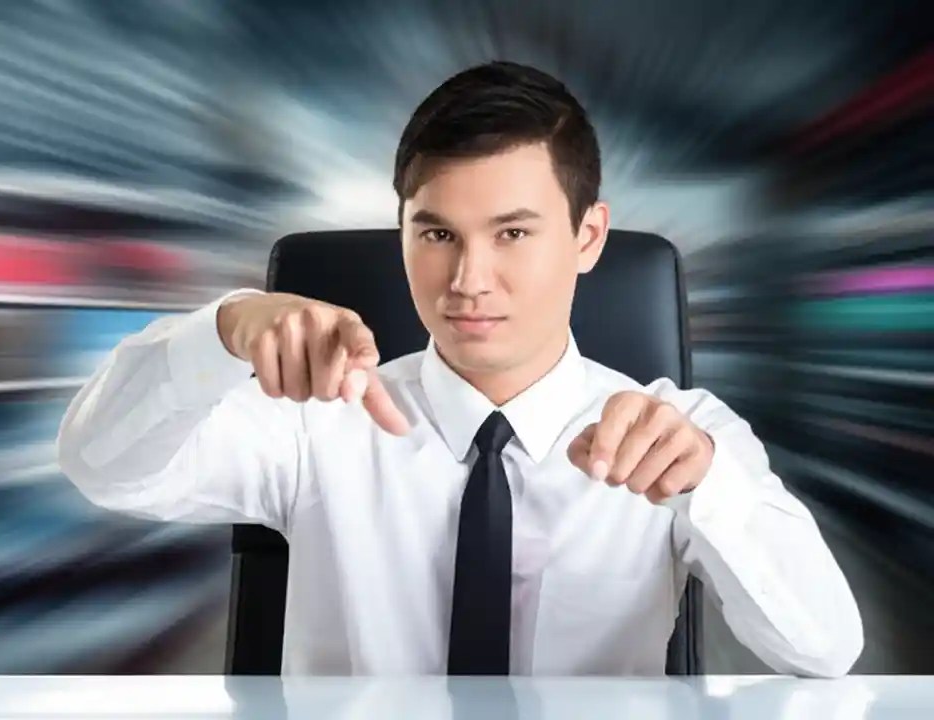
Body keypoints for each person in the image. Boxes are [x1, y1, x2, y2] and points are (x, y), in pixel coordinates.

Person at [57, 61, 863, 677]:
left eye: (513, 234)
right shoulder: (317, 416)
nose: (469, 280)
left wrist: (710, 484)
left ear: (587, 238)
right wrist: (222, 330)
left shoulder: (679, 434)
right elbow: (103, 467)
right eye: (437, 234)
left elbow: (824, 650)